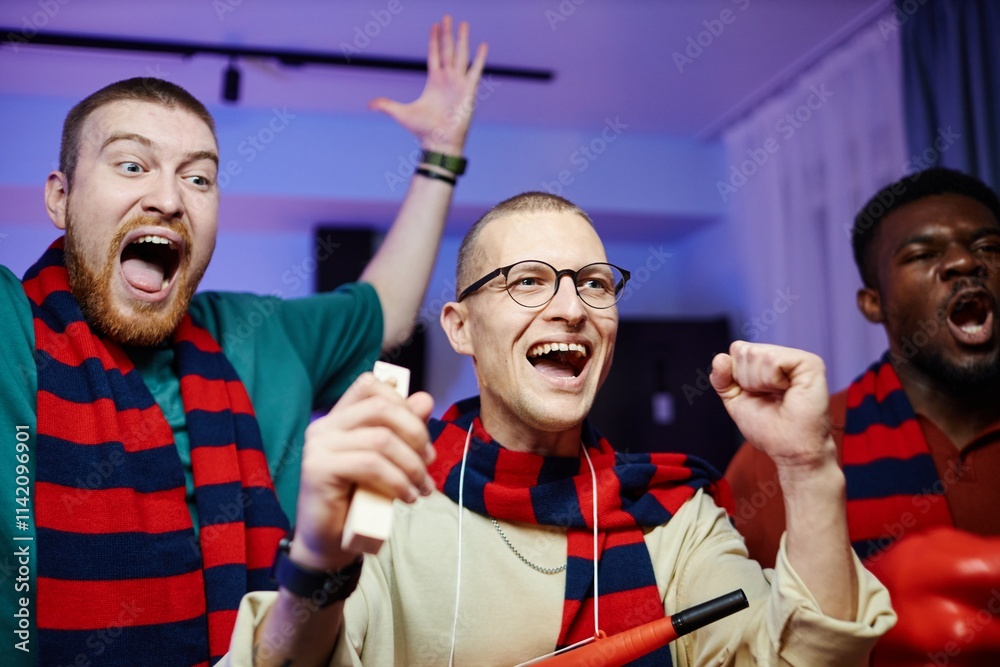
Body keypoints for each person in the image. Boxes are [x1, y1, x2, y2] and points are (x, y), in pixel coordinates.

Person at [223, 192, 894, 667]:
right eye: (529, 281)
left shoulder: (675, 515)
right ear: (460, 328)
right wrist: (317, 564)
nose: (572, 307)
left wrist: (809, 468)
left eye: (595, 284)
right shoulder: (382, 498)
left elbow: (802, 659)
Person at [0, 16, 488, 667]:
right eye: (131, 164)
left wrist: (439, 156)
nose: (169, 199)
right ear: (60, 198)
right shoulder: (12, 325)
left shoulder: (257, 337)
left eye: (198, 178)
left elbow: (387, 310)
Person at [725, 167, 1000, 663]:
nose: (965, 262)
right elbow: (746, 645)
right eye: (923, 254)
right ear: (873, 303)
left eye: (989, 248)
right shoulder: (785, 454)